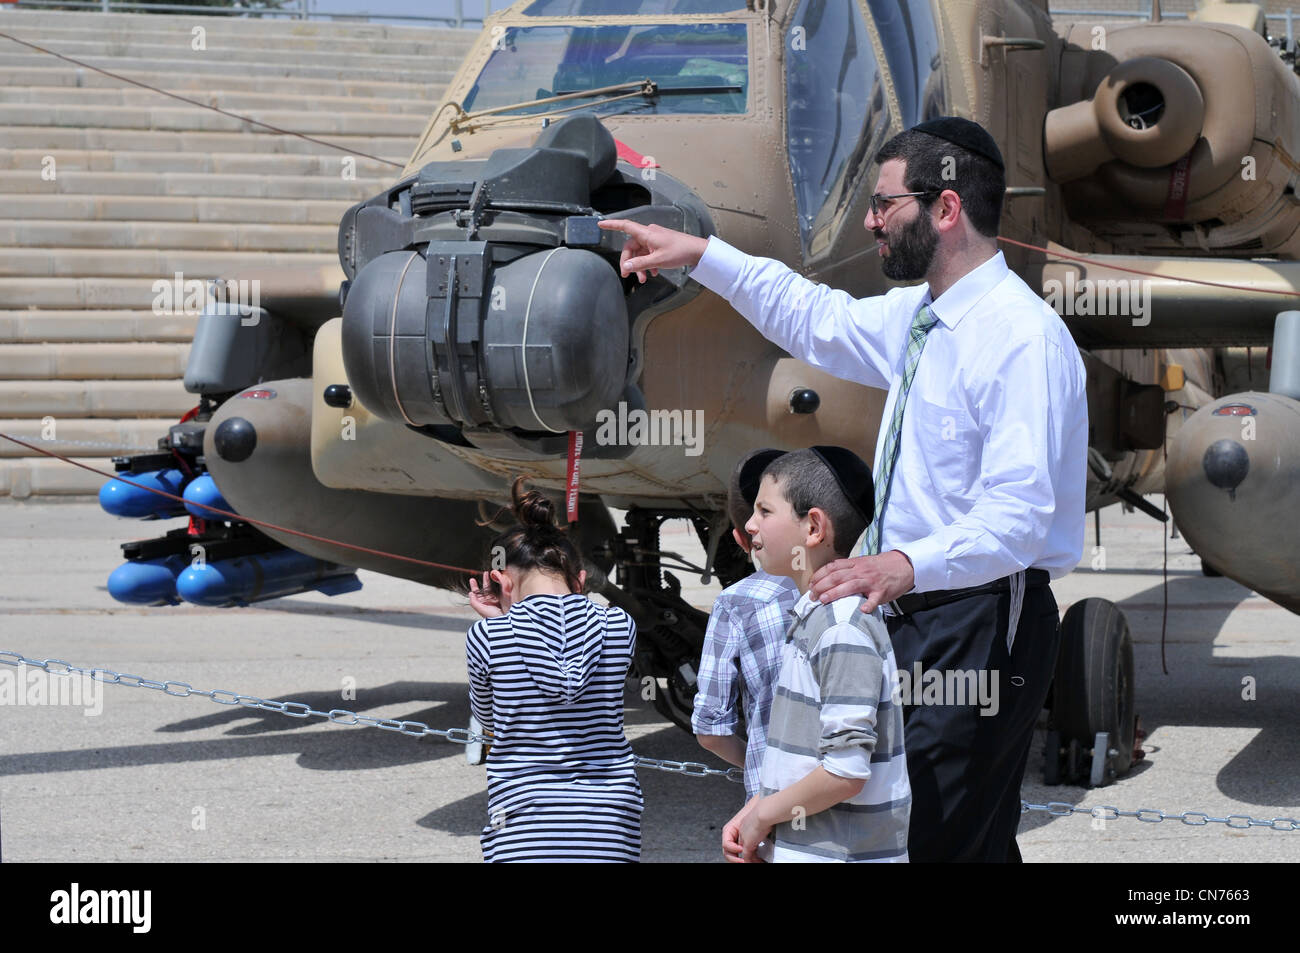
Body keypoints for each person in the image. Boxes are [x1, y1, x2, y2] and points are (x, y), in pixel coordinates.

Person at [599, 116, 1088, 862]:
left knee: (941, 837)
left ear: (945, 208)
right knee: (929, 830)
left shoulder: (1020, 338)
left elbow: (1019, 519)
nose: (870, 220)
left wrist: (897, 566)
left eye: (885, 204)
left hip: (982, 614)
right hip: (917, 607)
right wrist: (702, 256)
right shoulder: (923, 319)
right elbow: (815, 319)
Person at [722, 447, 909, 863]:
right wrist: (759, 808)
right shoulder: (814, 616)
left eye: (765, 512)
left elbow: (845, 772)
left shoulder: (842, 627)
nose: (749, 525)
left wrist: (763, 815)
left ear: (813, 528)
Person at [464, 476, 643, 862]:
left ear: (500, 580)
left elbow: (489, 720)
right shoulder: (618, 625)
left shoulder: (487, 636)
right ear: (580, 580)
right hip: (609, 826)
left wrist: (496, 619)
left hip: (522, 827)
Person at [692, 447, 800, 798]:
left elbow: (710, 731)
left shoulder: (736, 603)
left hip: (777, 803)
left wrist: (758, 761)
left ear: (741, 539)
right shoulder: (865, 589)